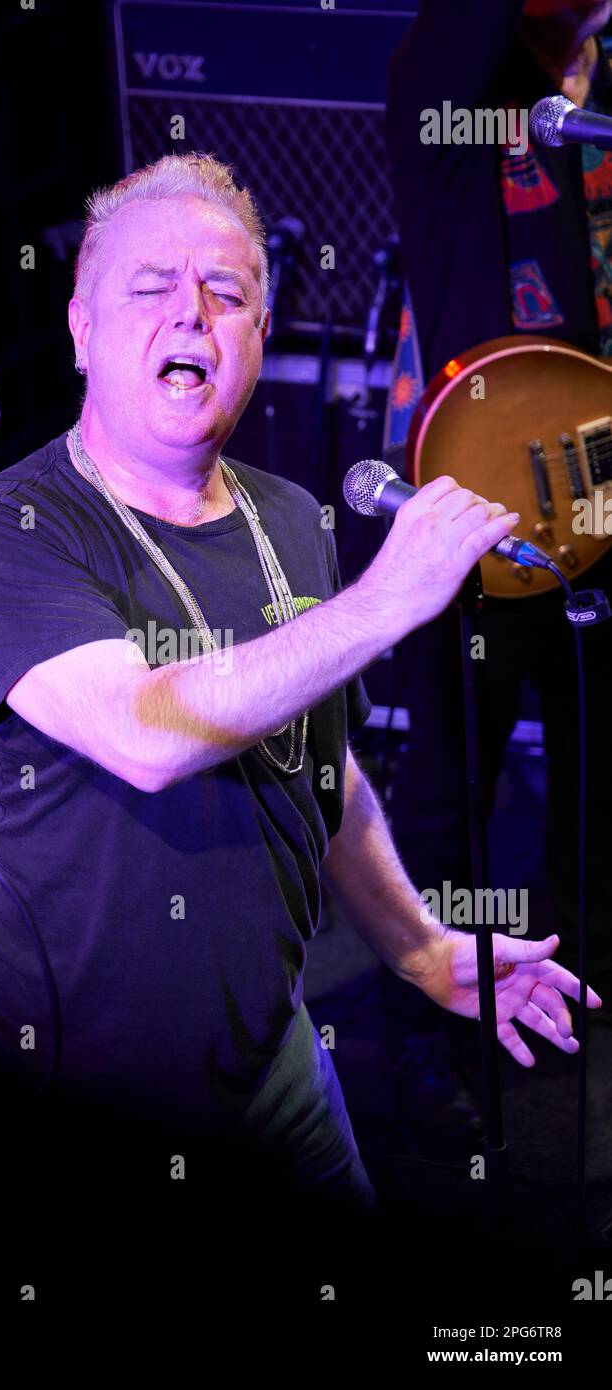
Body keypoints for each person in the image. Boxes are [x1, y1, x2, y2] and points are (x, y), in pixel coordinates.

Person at [0, 152, 600, 1204]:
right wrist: (384, 601)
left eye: (225, 293)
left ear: (257, 337)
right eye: (148, 288)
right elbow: (143, 732)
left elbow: (313, 765)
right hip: (68, 1067)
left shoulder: (288, 516)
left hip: (269, 1056)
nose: (189, 312)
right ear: (80, 327)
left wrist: (418, 945)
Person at [383, 0, 612, 1149]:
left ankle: (569, 995)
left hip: (606, 497)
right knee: (447, 791)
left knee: (596, 778)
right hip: (473, 493)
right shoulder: (453, 75)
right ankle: (424, 1028)